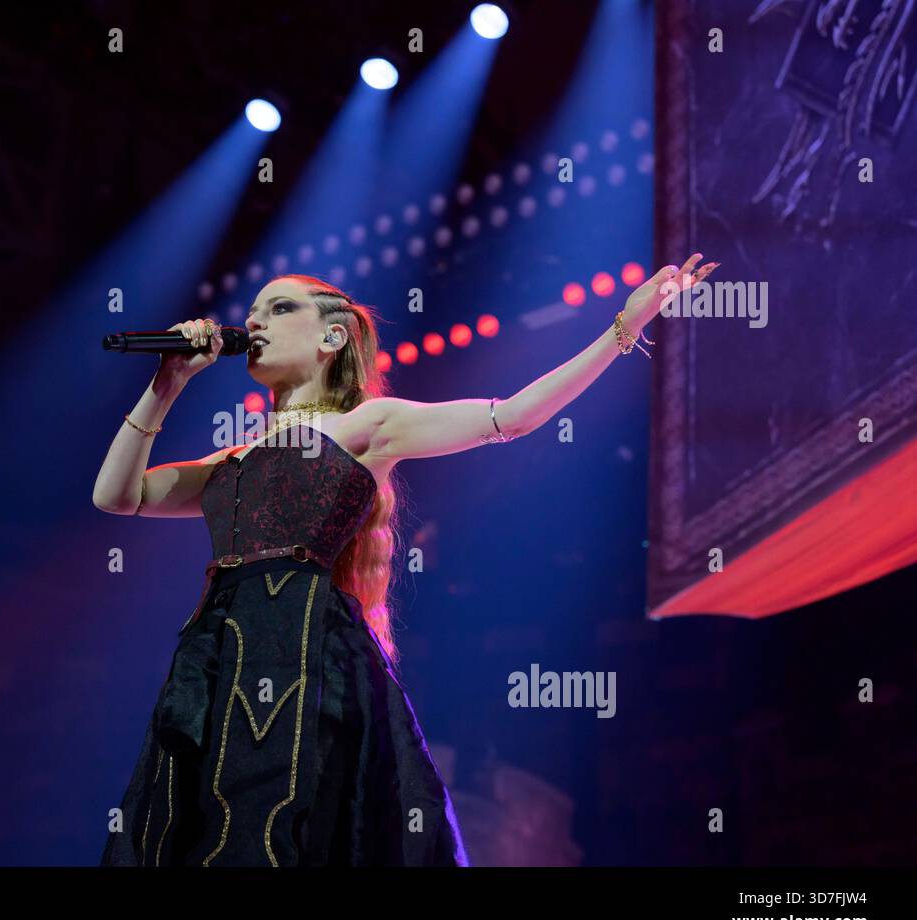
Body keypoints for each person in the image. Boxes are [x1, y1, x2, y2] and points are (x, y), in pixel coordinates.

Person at [93, 255, 716, 866]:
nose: (254, 322)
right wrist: (166, 383)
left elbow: (513, 417)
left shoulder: (369, 424)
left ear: (331, 337)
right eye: (252, 311)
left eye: (279, 309)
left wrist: (622, 329)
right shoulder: (231, 459)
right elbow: (117, 495)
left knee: (295, 817)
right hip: (220, 655)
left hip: (307, 648)